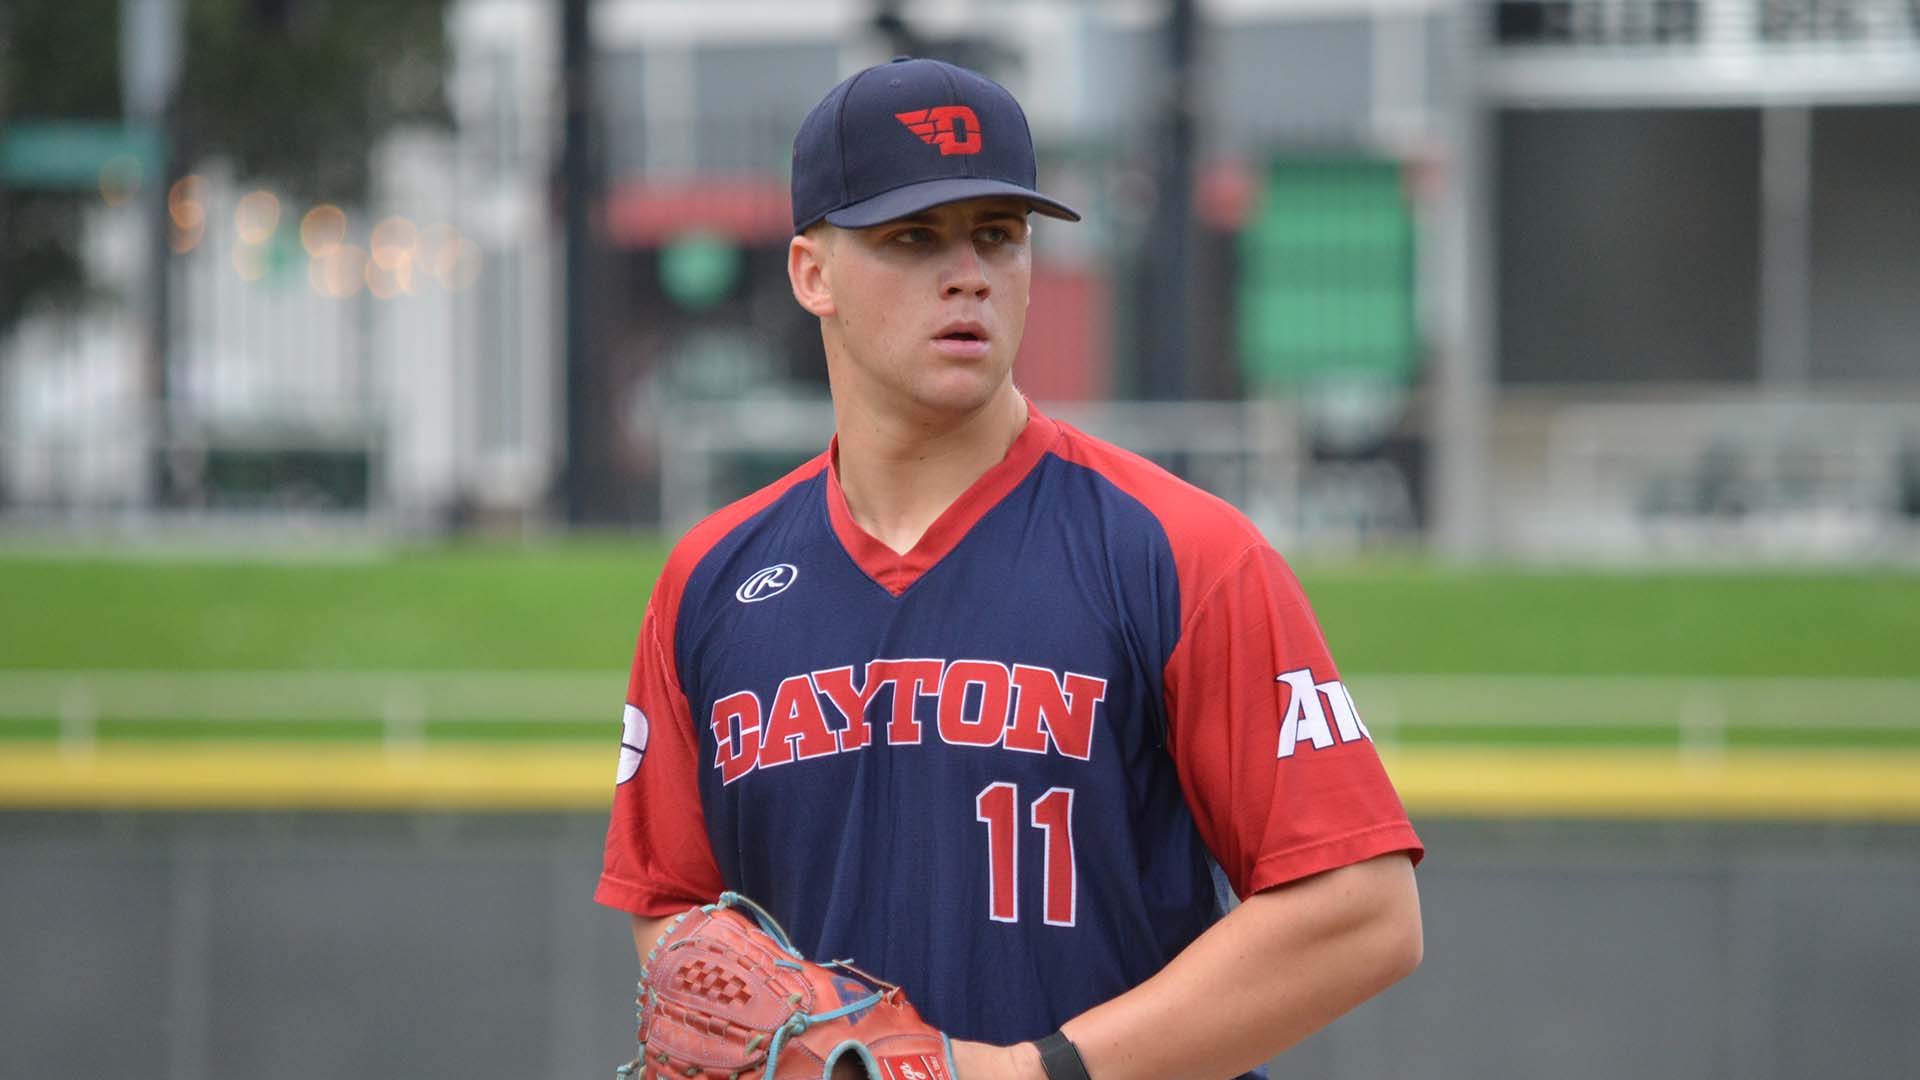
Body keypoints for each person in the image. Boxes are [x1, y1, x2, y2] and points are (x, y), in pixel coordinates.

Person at [596, 57, 1423, 1080]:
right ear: (812, 273)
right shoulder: (712, 581)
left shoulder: (1179, 553)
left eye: (999, 234)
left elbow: (1363, 913)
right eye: (913, 238)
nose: (970, 273)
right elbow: (674, 910)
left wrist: (1031, 1074)